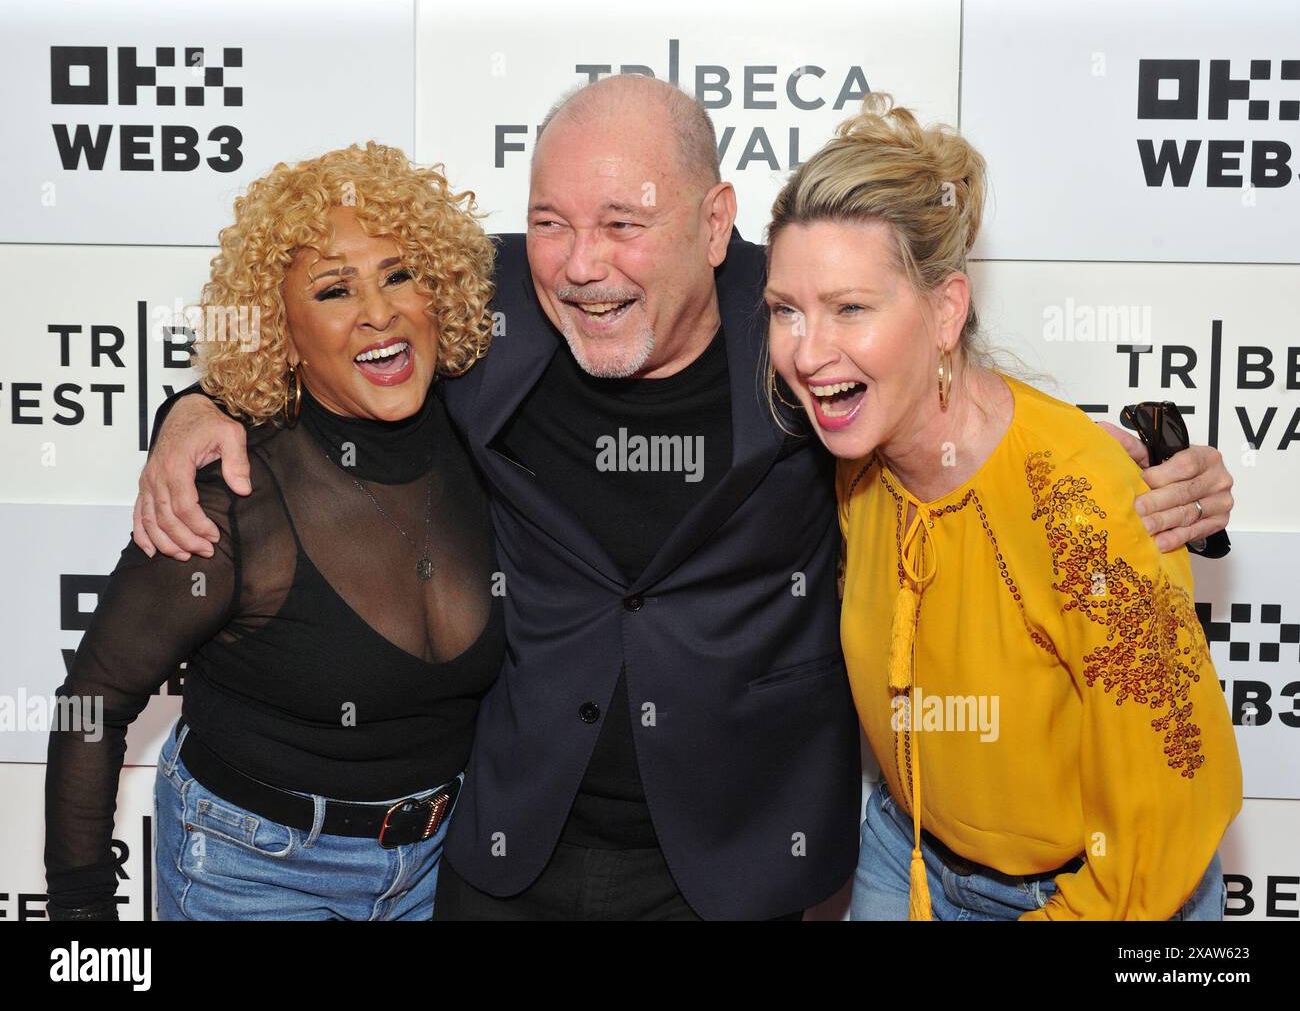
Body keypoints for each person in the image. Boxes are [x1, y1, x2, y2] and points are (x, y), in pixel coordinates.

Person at [133, 76, 1235, 921]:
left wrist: (1122, 458)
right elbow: (332, 329)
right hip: (510, 853)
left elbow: (944, 396)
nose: (580, 263)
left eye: (624, 222)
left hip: (747, 866)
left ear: (714, 228)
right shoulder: (489, 305)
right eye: (551, 221)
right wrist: (196, 400)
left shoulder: (802, 338)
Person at [765, 93, 1242, 920]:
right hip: (904, 858)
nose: (807, 353)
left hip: (1098, 895)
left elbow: (1170, 811)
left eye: (850, 307)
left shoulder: (1084, 502)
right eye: (785, 310)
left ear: (946, 310)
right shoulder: (858, 461)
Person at [44, 143, 502, 921]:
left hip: (445, 867)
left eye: (399, 274)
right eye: (333, 290)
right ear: (280, 331)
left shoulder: (491, 436)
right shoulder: (235, 496)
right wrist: (81, 922)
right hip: (251, 872)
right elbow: (93, 702)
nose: (379, 311)